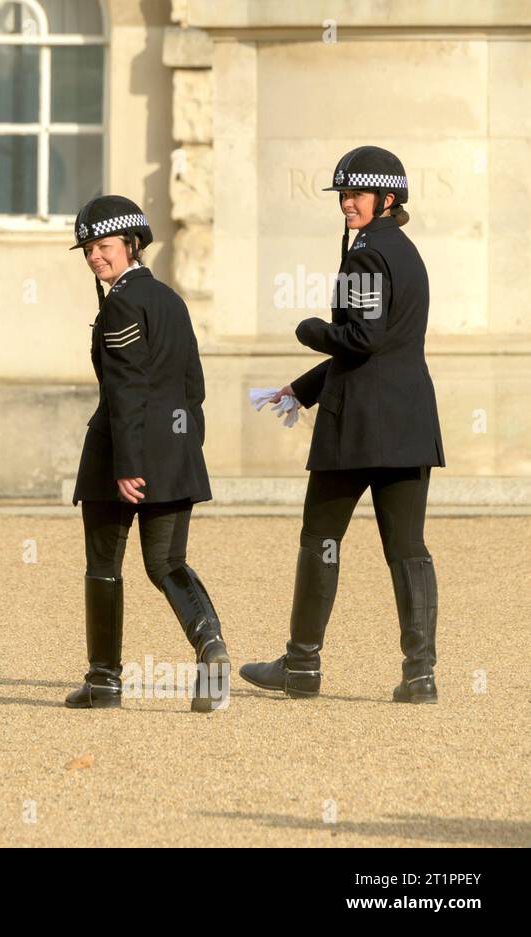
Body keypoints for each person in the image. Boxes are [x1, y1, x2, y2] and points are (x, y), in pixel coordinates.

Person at [240, 146, 444, 704]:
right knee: (408, 550)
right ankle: (420, 674)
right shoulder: (407, 254)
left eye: (355, 195)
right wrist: (302, 390)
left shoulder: (366, 256)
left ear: (387, 199)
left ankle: (302, 666)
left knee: (320, 540)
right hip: (406, 425)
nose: (346, 204)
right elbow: (381, 347)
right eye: (343, 195)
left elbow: (362, 339)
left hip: (356, 429)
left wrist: (308, 327)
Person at [65, 195, 228, 713]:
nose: (95, 255)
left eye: (104, 246)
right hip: (174, 454)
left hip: (122, 454)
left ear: (132, 245)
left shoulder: (121, 304)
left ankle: (105, 681)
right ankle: (209, 646)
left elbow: (127, 387)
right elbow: (193, 388)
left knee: (104, 566)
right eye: (88, 248)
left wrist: (129, 463)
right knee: (167, 564)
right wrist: (183, 449)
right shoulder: (171, 300)